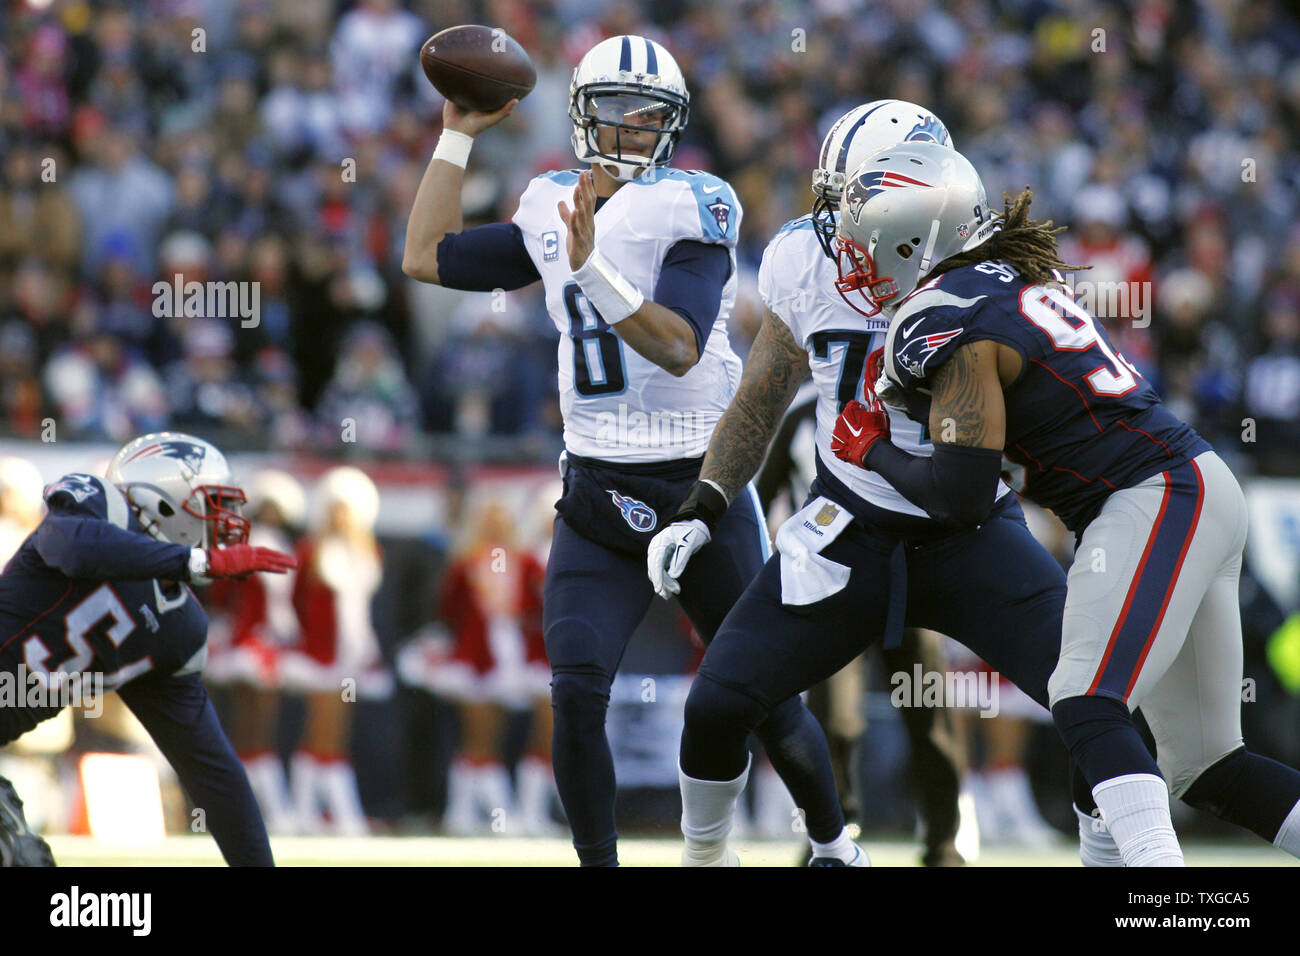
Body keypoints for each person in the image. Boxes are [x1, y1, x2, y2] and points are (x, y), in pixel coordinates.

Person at [402, 34, 849, 866]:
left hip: (700, 487)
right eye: (617, 111)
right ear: (581, 115)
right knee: (574, 696)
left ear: (674, 127)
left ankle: (832, 846)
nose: (634, 130)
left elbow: (678, 345)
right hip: (596, 489)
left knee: (766, 695)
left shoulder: (696, 202)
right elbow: (424, 256)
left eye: (652, 118)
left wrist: (592, 269)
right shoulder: (547, 202)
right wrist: (456, 136)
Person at [830, 140, 1300, 865]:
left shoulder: (939, 316)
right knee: (1209, 767)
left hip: (1151, 495)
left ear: (917, 236)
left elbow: (957, 494)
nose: (858, 257)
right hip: (1193, 486)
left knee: (1084, 701)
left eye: (870, 238)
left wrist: (873, 450)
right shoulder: (1008, 282)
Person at [647, 103, 1068, 866]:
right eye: (836, 199)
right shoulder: (804, 259)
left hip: (967, 529)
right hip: (847, 526)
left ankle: (1133, 876)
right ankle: (711, 857)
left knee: (1094, 697)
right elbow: (762, 393)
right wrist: (704, 502)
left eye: (860, 205)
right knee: (716, 702)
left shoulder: (984, 272)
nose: (838, 225)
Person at [0, 432, 296, 866]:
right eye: (212, 503)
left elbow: (213, 773)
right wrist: (192, 560)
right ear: (163, 501)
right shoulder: (97, 506)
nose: (225, 521)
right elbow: (75, 547)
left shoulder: (179, 627)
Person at [281, 466, 391, 836]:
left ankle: (310, 811)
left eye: (346, 509)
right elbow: (294, 602)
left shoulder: (366, 550)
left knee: (332, 734)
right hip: (319, 654)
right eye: (334, 507)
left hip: (353, 653)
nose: (339, 515)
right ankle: (337, 814)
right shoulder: (311, 550)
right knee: (322, 731)